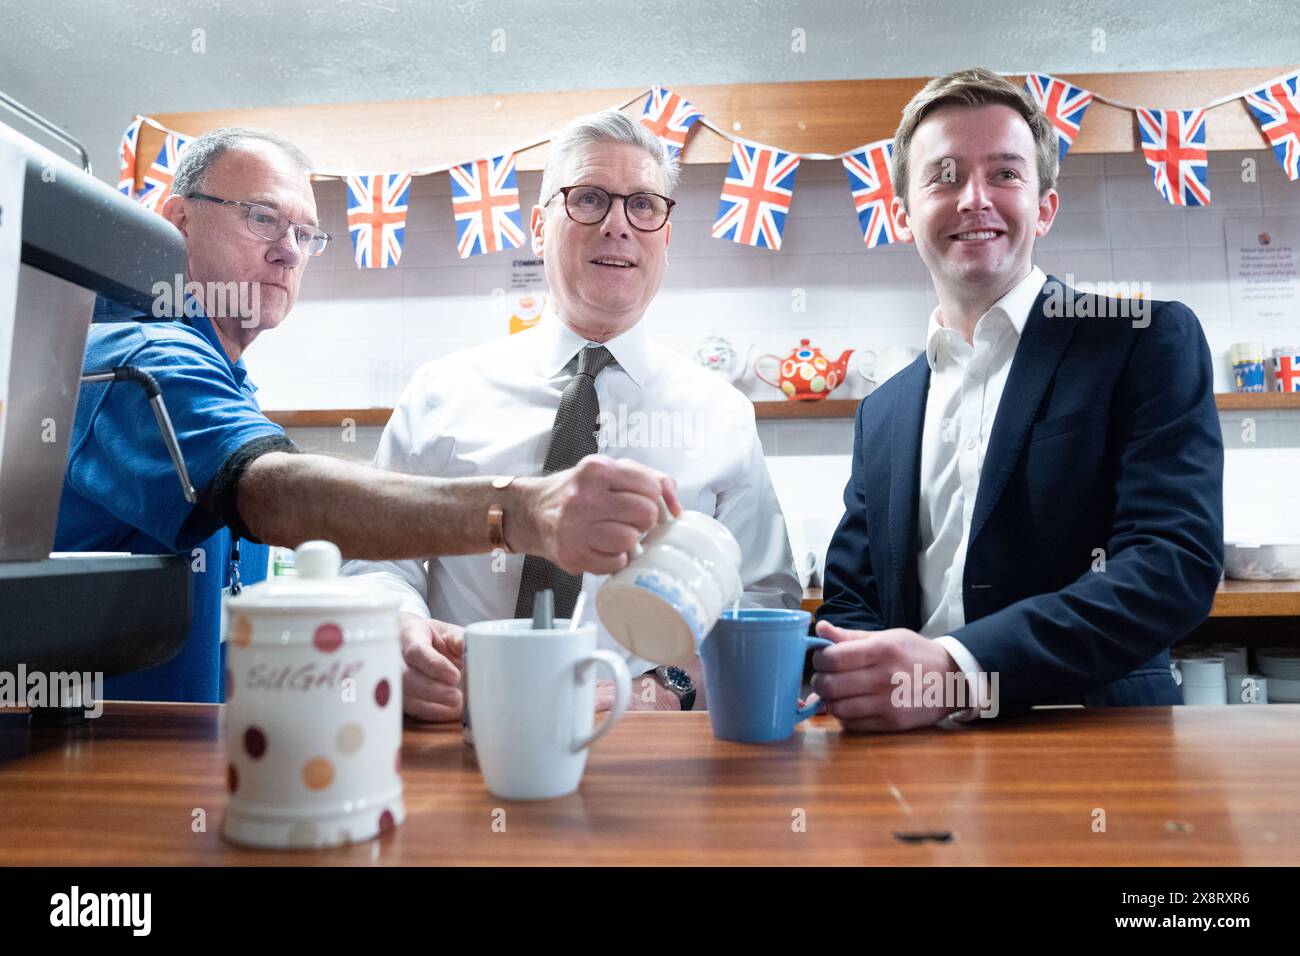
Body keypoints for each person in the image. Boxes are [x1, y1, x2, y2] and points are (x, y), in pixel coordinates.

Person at [55, 126, 679, 702]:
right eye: (263, 218)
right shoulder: (143, 358)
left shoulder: (220, 371)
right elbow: (275, 496)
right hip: (102, 773)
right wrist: (524, 511)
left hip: (185, 761)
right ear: (178, 218)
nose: (288, 253)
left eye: (305, 234)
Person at [343, 111, 801, 721]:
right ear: (538, 226)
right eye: (589, 199)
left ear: (667, 235)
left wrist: (669, 687)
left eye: (644, 205)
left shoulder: (723, 414)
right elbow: (377, 558)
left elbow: (762, 598)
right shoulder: (439, 392)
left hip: (650, 752)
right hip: (465, 731)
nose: (618, 225)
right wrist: (400, 630)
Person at [812, 68, 1224, 730]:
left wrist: (953, 671)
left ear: (1045, 207)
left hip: (1096, 754)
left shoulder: (1141, 342)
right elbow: (853, 602)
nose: (975, 198)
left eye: (1004, 174)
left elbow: (1170, 565)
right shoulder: (882, 412)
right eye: (944, 176)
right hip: (908, 762)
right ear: (900, 213)